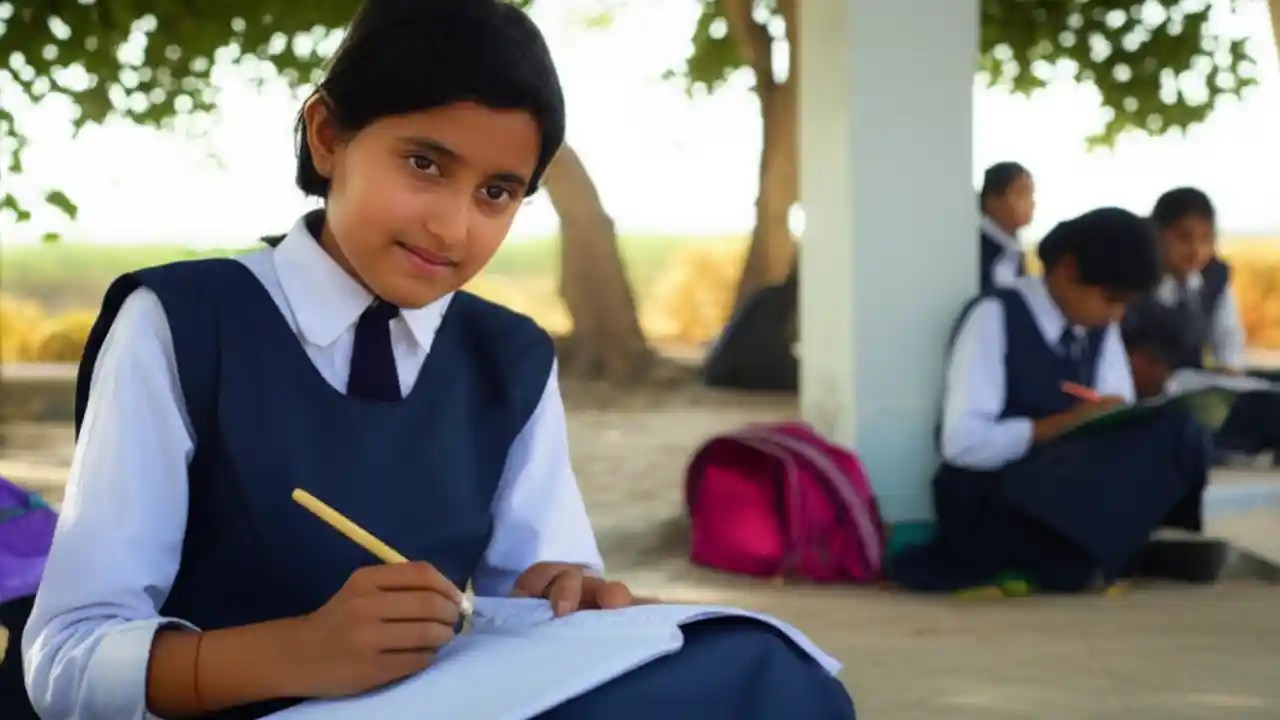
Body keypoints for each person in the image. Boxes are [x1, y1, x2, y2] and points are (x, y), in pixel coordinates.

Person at [22, 3, 855, 719]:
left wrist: (565, 599)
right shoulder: (184, 324)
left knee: (771, 678)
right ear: (328, 136)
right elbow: (64, 661)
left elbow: (516, 611)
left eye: (497, 192)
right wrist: (296, 655)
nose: (454, 227)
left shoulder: (510, 357)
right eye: (424, 164)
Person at [890, 208, 1210, 593]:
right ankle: (1102, 553)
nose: (1116, 314)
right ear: (1068, 269)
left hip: (1064, 483)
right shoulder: (996, 317)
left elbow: (1117, 408)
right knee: (1064, 547)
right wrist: (1066, 422)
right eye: (1110, 299)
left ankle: (1111, 548)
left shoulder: (1097, 327)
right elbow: (962, 444)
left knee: (1180, 429)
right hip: (998, 492)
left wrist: (1115, 417)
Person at [1124, 187, 1280, 461]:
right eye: (1183, 238)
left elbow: (1227, 336)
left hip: (1198, 383)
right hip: (1150, 392)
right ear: (1157, 235)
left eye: (1206, 239)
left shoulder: (1214, 278)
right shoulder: (1136, 281)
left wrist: (1229, 371)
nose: (1196, 249)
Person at [979, 162, 1035, 293]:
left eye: (1031, 195)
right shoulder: (979, 249)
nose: (1032, 203)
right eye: (1022, 194)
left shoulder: (1014, 250)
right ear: (992, 200)